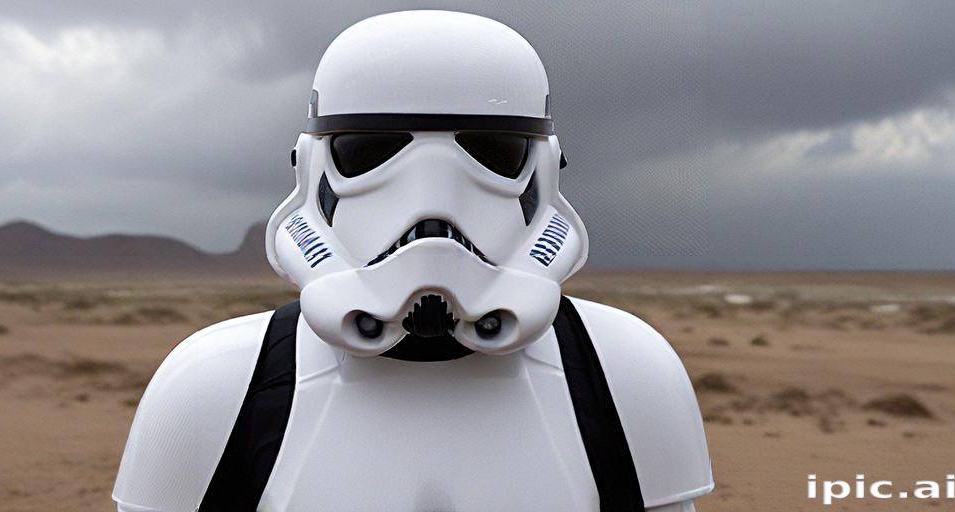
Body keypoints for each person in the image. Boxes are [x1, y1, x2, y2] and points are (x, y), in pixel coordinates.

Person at [112, 10, 713, 512]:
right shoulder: (212, 388)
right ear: (312, 171)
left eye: (490, 152)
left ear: (544, 174)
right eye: (372, 150)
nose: (433, 202)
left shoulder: (626, 375)